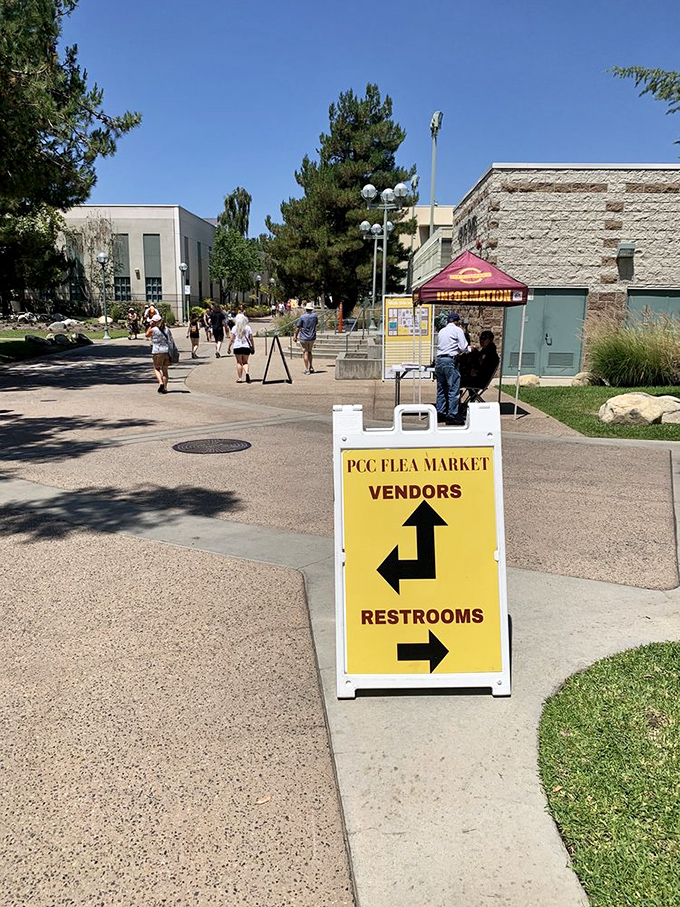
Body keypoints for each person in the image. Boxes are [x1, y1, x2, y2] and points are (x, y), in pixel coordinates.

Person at [434, 312, 470, 425]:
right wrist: (470, 349)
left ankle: (440, 413)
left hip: (439, 360)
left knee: (441, 388)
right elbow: (463, 347)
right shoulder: (458, 330)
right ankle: (452, 415)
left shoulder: (441, 331)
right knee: (453, 389)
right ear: (457, 321)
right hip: (450, 360)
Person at [145, 312, 174, 394]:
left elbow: (146, 335)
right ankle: (165, 388)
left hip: (157, 351)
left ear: (154, 322)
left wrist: (150, 326)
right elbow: (170, 339)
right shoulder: (167, 329)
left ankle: (161, 383)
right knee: (165, 370)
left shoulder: (153, 329)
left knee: (156, 368)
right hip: (166, 351)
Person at [227, 312, 254, 382]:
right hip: (246, 347)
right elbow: (251, 338)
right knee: (245, 362)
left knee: (239, 362)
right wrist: (253, 346)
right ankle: (247, 373)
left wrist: (229, 347)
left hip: (237, 346)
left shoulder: (234, 328)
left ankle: (240, 378)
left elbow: (232, 338)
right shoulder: (248, 328)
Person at [293, 302, 318, 374]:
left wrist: (295, 336)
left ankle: (307, 369)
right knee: (310, 352)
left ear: (306, 309)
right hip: (312, 337)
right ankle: (311, 366)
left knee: (305, 352)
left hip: (304, 337)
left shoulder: (302, 317)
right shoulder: (314, 316)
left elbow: (298, 327)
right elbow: (316, 323)